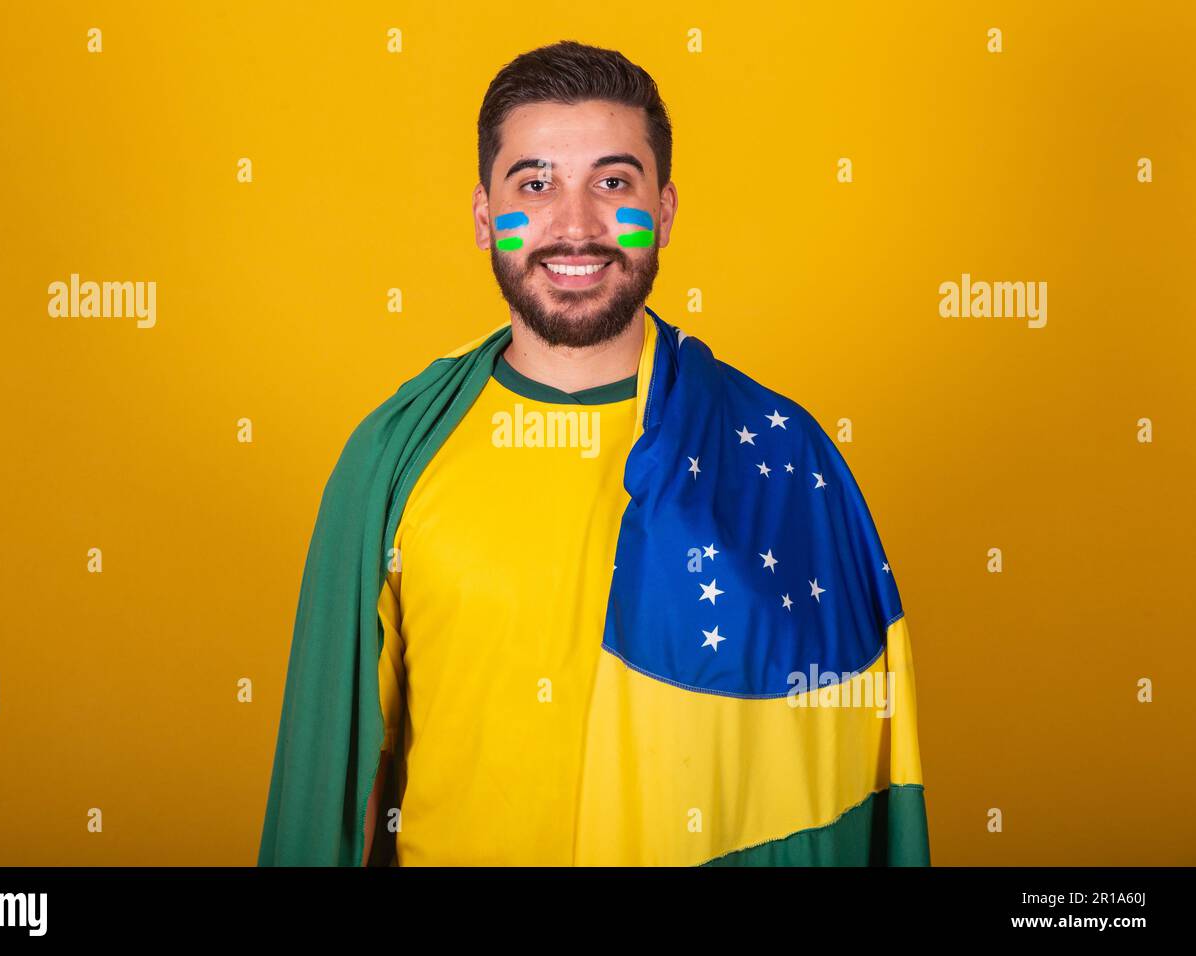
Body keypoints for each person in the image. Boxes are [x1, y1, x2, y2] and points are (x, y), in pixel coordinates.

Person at [258, 39, 929, 867]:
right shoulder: (394, 458)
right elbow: (346, 782)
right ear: (481, 217)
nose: (574, 225)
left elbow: (843, 753)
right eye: (534, 185)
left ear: (668, 210)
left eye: (613, 184)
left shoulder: (786, 460)